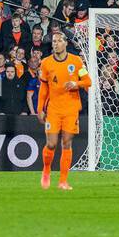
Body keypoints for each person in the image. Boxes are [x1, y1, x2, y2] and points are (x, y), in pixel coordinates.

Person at [37, 28, 91, 191]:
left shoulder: (76, 61)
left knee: (66, 143)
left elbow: (88, 81)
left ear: (66, 43)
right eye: (54, 41)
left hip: (71, 109)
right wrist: (40, 108)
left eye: (59, 40)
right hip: (53, 109)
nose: (56, 43)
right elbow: (43, 88)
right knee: (52, 144)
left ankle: (63, 181)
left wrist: (77, 84)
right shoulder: (46, 63)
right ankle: (46, 170)